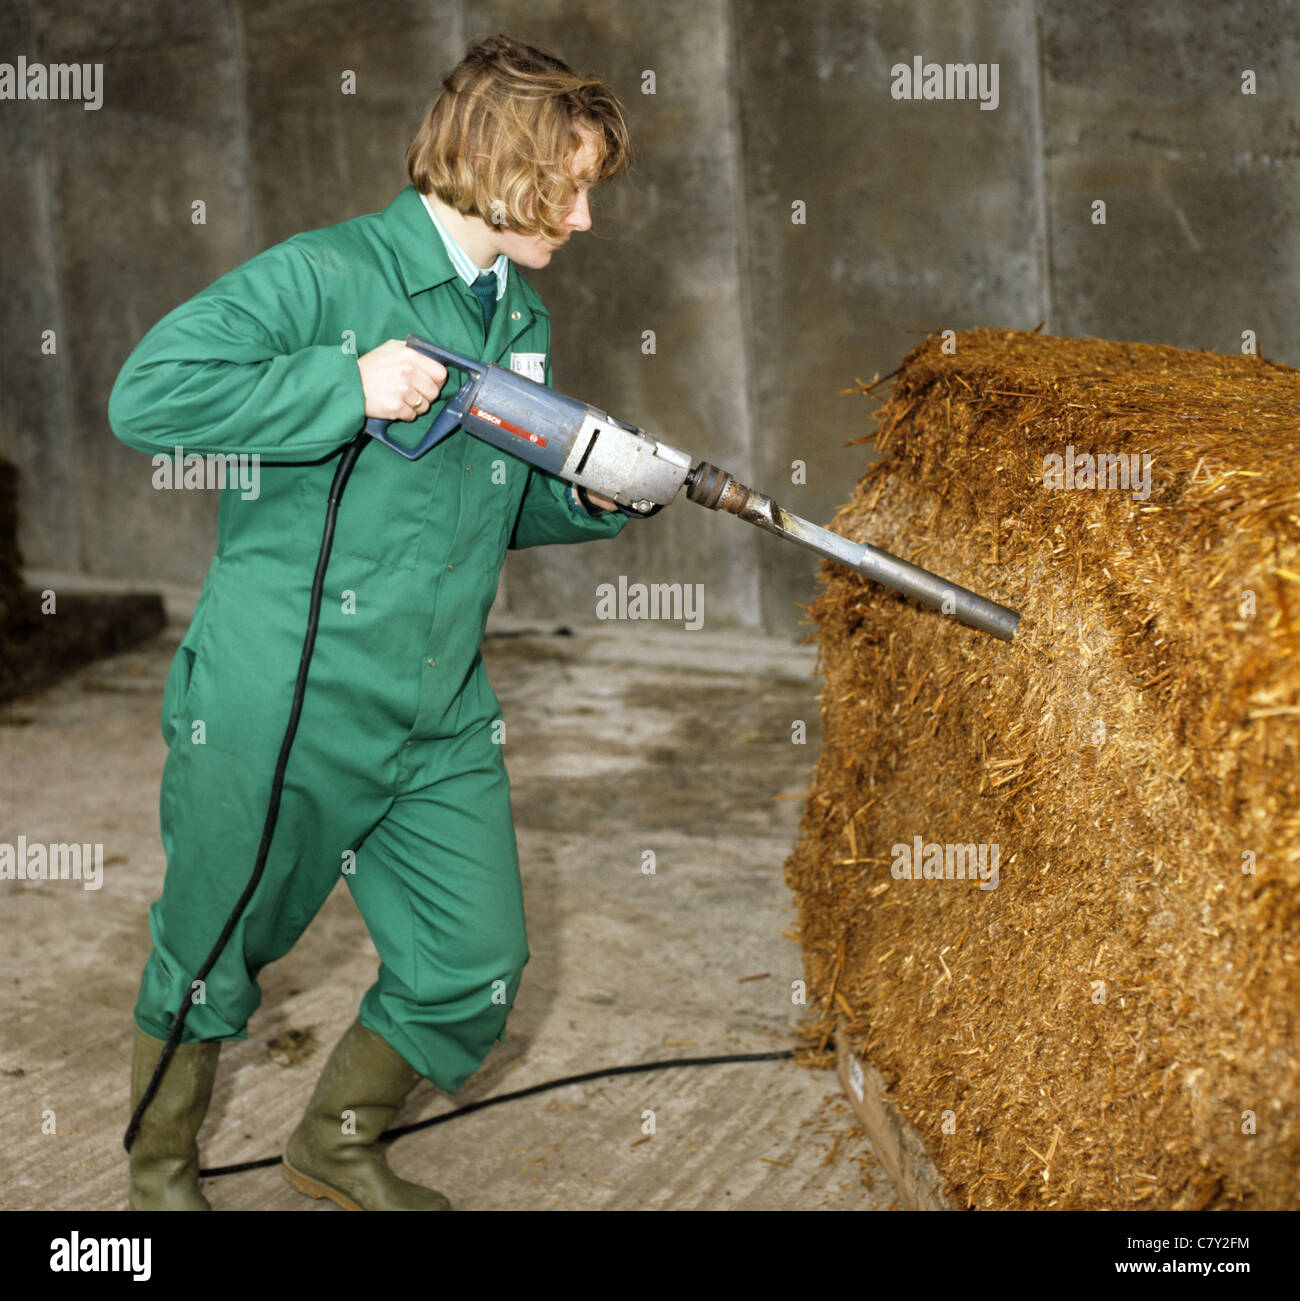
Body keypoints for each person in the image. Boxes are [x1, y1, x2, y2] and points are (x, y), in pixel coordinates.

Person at [108, 34, 633, 1211]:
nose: (587, 218)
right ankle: (156, 1180)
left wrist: (585, 498)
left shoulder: (518, 310)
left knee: (474, 962)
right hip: (282, 700)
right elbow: (147, 395)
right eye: (572, 183)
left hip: (439, 707)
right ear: (495, 165)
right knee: (208, 963)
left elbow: (477, 508)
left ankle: (333, 1142)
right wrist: (343, 385)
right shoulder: (323, 275)